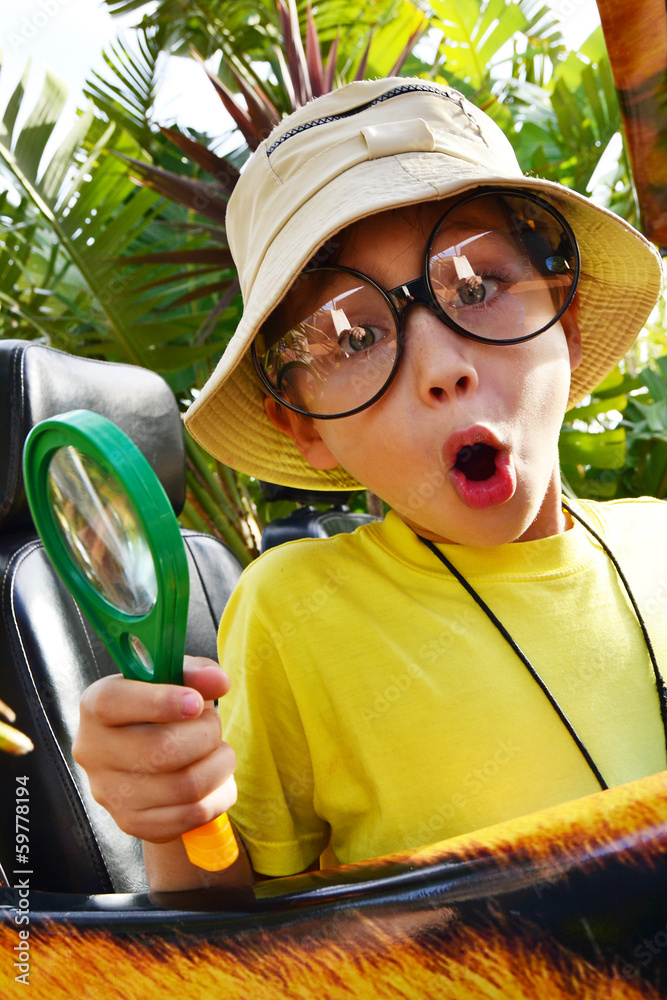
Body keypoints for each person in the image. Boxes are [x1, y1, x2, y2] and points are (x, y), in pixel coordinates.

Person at [73, 77, 666, 891]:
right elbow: (224, 926)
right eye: (350, 337)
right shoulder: (297, 614)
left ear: (562, 314)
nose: (442, 369)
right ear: (304, 425)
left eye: (477, 286)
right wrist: (174, 811)